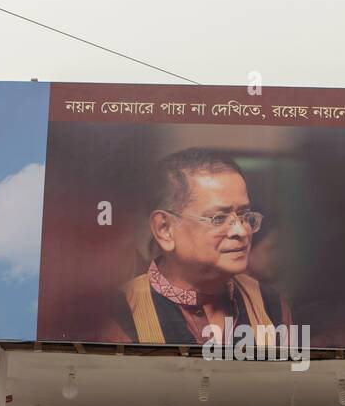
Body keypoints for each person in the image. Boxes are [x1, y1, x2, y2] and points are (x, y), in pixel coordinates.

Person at [102, 148, 293, 346]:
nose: (242, 231)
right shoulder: (120, 312)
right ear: (164, 229)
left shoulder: (268, 305)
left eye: (244, 215)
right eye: (218, 218)